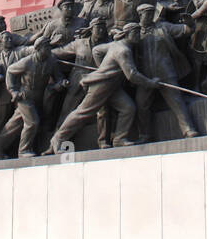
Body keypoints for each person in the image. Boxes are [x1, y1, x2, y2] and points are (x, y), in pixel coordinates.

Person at [46, 23, 151, 153]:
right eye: (136, 33)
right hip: (101, 85)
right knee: (83, 113)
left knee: (128, 108)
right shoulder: (123, 50)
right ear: (128, 34)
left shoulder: (115, 44)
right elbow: (132, 75)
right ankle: (58, 138)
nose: (139, 36)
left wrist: (100, 67)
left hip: (112, 87)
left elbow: (97, 50)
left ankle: (119, 139)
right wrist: (151, 83)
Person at [133, 5, 202, 141]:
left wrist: (189, 22)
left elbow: (187, 30)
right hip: (145, 75)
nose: (150, 16)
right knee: (141, 104)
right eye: (147, 14)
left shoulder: (163, 27)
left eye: (151, 13)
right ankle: (144, 134)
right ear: (140, 15)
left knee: (176, 100)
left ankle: (188, 129)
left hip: (166, 71)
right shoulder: (135, 32)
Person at [0, 38, 64, 158]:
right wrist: (13, 90)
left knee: (15, 124)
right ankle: (23, 150)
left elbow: (58, 77)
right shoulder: (27, 61)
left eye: (49, 47)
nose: (49, 49)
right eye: (46, 47)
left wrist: (61, 83)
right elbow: (10, 71)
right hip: (25, 96)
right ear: (38, 49)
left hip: (39, 97)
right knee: (32, 122)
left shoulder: (51, 61)